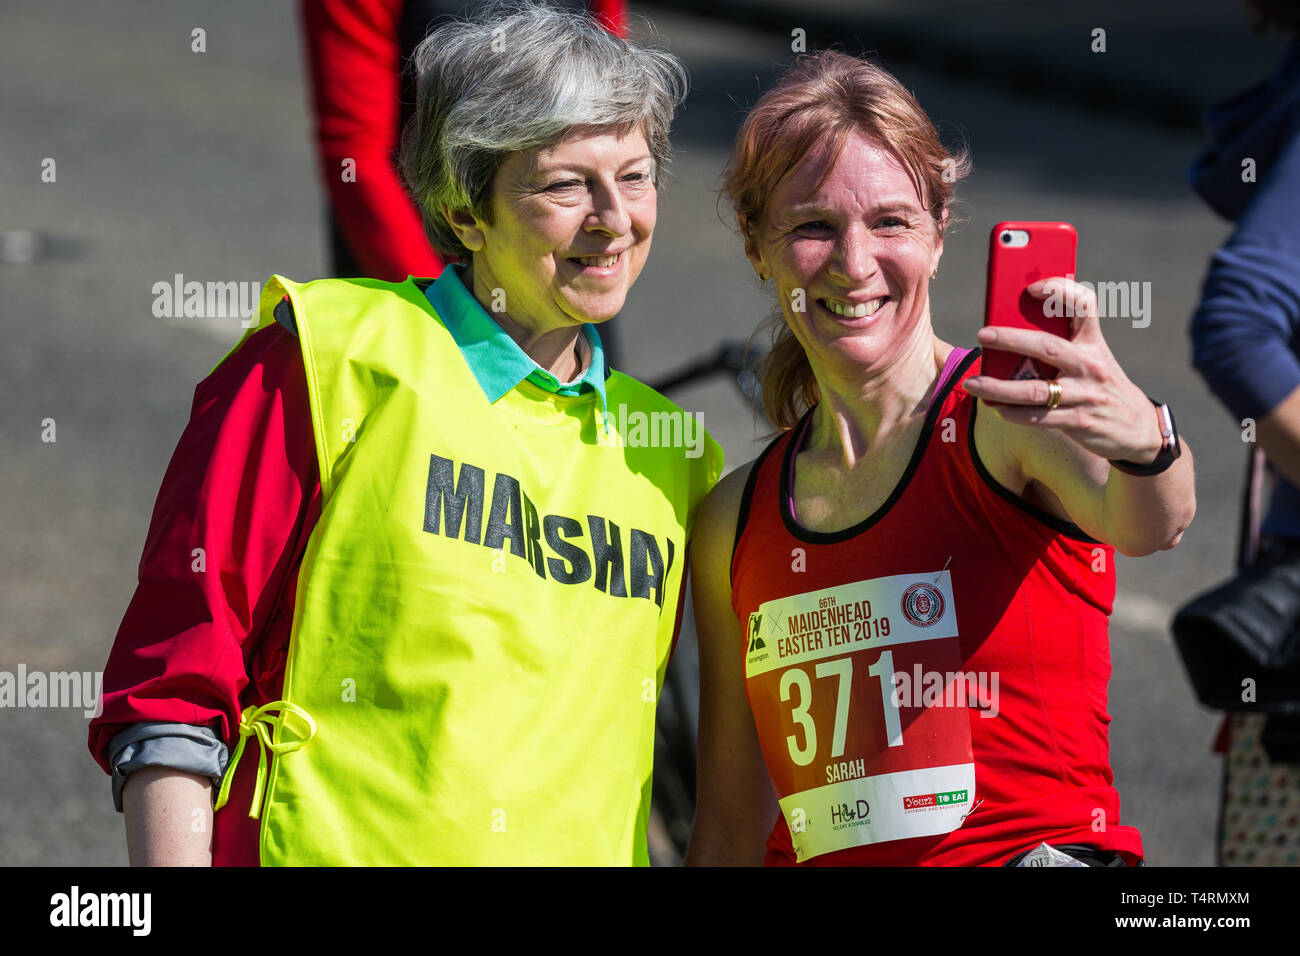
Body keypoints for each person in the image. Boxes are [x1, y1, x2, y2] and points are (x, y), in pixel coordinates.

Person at [88, 0, 722, 866]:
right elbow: (172, 688)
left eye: (636, 175)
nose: (614, 219)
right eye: (565, 183)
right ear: (464, 212)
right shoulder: (321, 356)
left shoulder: (675, 455)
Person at [685, 50, 1195, 866]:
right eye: (814, 226)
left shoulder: (1008, 417)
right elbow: (728, 827)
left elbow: (1150, 522)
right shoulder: (732, 518)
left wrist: (1146, 441)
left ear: (937, 231)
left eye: (890, 221)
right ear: (757, 245)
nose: (856, 264)